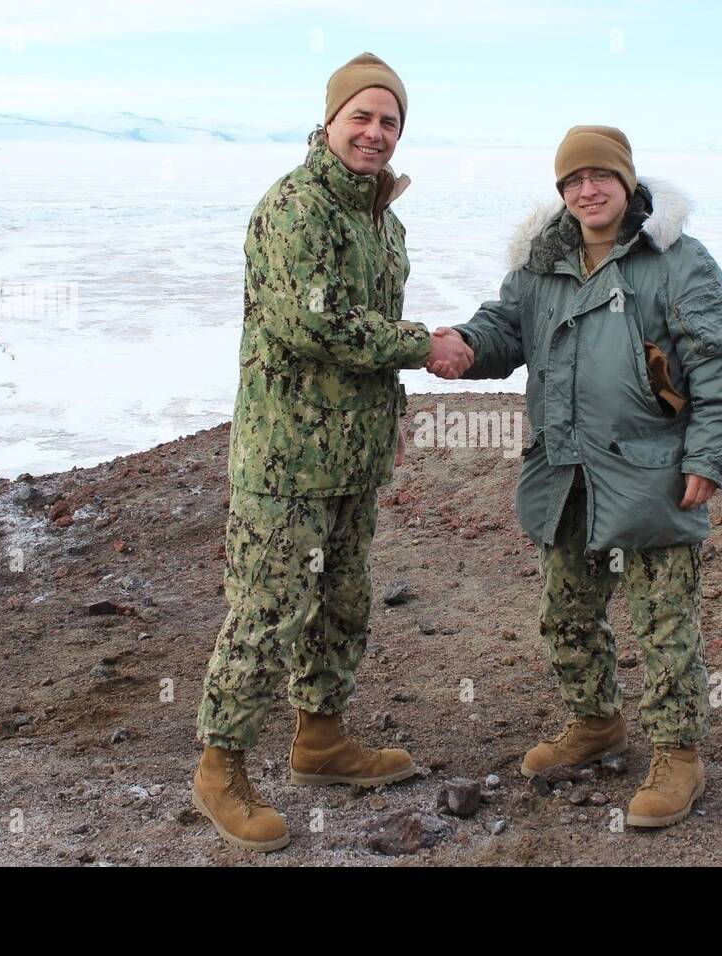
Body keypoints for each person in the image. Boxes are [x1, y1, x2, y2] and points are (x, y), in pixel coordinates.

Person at [428, 125, 722, 828]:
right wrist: (459, 346)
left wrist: (709, 455)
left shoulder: (678, 262)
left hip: (652, 472)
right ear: (562, 192)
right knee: (568, 613)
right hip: (565, 472)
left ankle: (678, 754)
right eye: (573, 181)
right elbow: (503, 330)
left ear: (627, 183)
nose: (587, 189)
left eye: (600, 176)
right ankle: (595, 723)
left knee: (664, 622)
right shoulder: (541, 267)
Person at [193, 52, 473, 853]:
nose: (376, 133)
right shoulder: (297, 207)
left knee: (340, 604)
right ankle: (221, 767)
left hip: (351, 456)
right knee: (267, 610)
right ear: (329, 121)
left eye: (390, 121)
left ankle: (321, 738)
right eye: (363, 116)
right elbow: (314, 324)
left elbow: (360, 328)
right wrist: (426, 345)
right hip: (287, 460)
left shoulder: (383, 220)